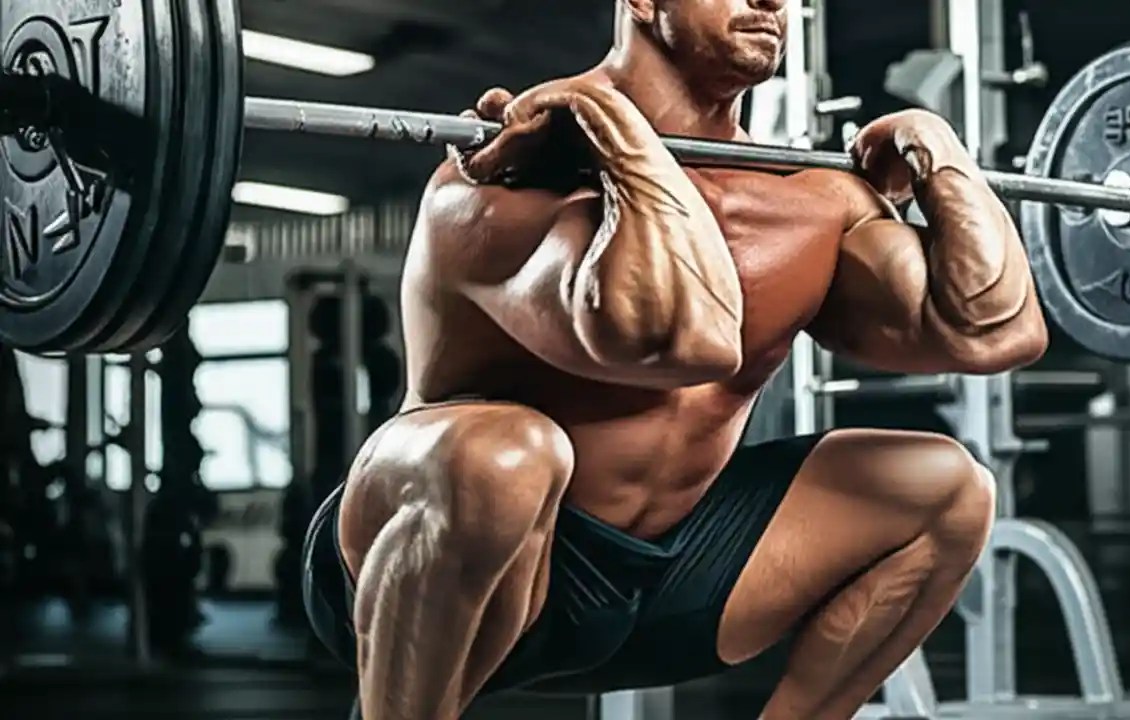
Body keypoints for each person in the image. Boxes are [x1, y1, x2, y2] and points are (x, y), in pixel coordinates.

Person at [302, 1, 1049, 718]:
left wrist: (940, 154)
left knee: (948, 487)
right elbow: (679, 339)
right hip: (450, 577)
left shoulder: (813, 199)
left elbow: (991, 331)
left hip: (664, 580)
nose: (771, 1)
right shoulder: (506, 174)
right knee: (505, 455)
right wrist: (620, 137)